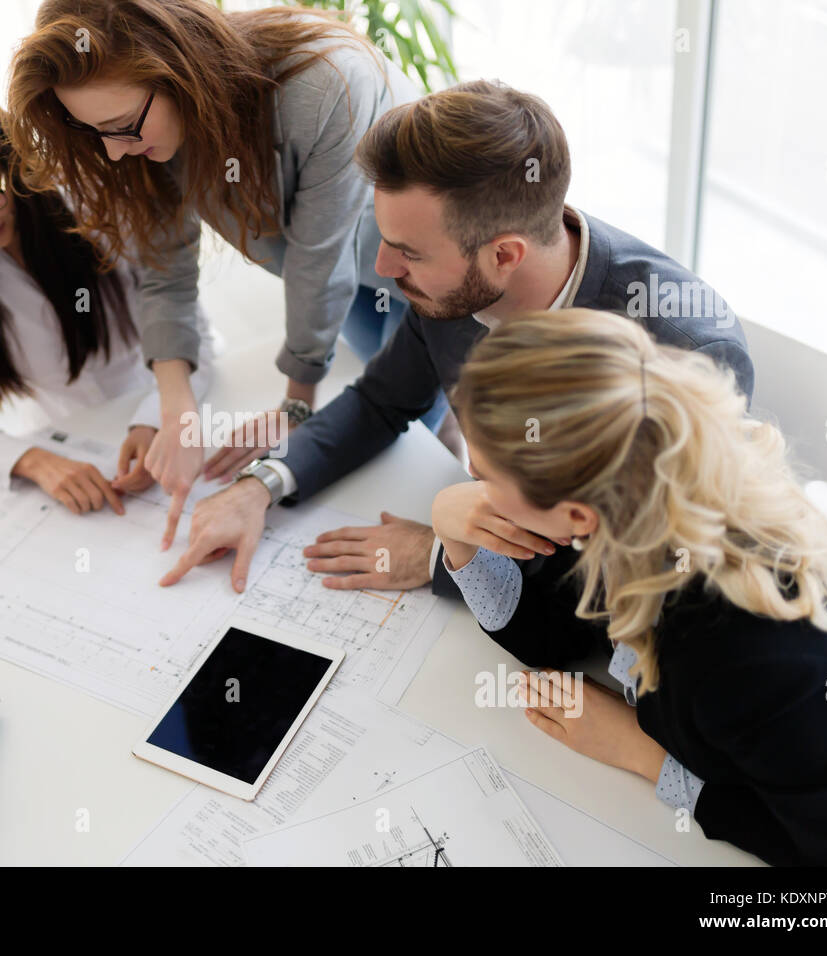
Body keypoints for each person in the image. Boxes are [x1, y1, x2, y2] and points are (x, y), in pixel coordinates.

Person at [160, 79, 754, 596]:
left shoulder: (686, 354)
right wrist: (261, 485)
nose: (385, 269)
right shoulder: (453, 284)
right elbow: (382, 400)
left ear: (504, 255)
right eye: (385, 239)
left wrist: (444, 554)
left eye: (409, 253)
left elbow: (644, 566)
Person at [428, 307, 827, 866]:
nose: (474, 483)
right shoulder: (634, 503)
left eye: (488, 479)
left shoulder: (758, 666)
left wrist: (641, 754)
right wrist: (457, 538)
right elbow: (558, 638)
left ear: (576, 514)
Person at [4, 0, 421, 545]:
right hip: (346, 284)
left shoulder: (326, 82)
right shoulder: (147, 136)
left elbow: (319, 259)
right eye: (94, 134)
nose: (111, 154)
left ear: (176, 68)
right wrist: (176, 410)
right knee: (376, 450)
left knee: (414, 445)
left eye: (121, 127)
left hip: (424, 274)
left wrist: (296, 404)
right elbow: (164, 272)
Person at [0, 72, 215, 513]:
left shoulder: (96, 197)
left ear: (11, 157)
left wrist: (155, 420)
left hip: (178, 403)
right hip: (70, 447)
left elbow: (196, 338)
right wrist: (33, 461)